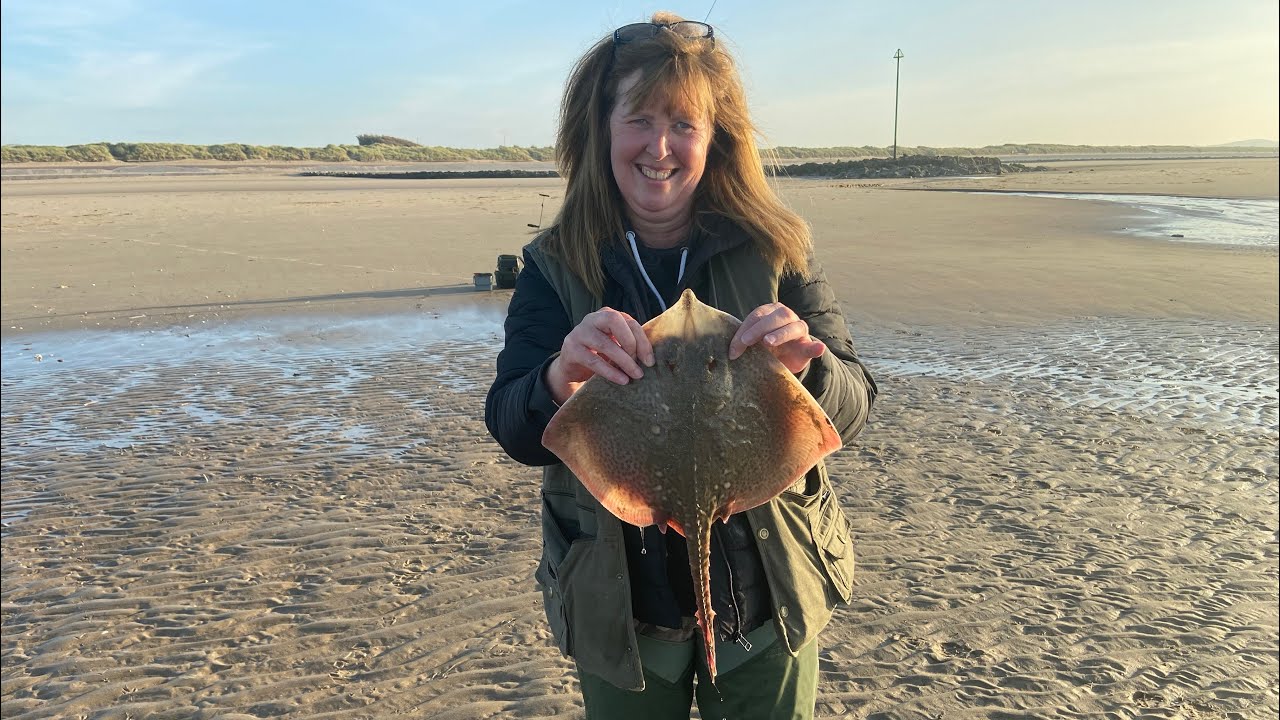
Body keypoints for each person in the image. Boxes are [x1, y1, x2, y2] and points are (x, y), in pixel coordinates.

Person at [485, 12, 876, 719]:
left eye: (683, 125)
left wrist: (807, 367)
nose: (659, 146)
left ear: (716, 136)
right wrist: (558, 376)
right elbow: (511, 421)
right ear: (601, 126)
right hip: (623, 614)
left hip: (768, 601)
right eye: (638, 118)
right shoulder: (554, 265)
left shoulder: (778, 249)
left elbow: (855, 401)